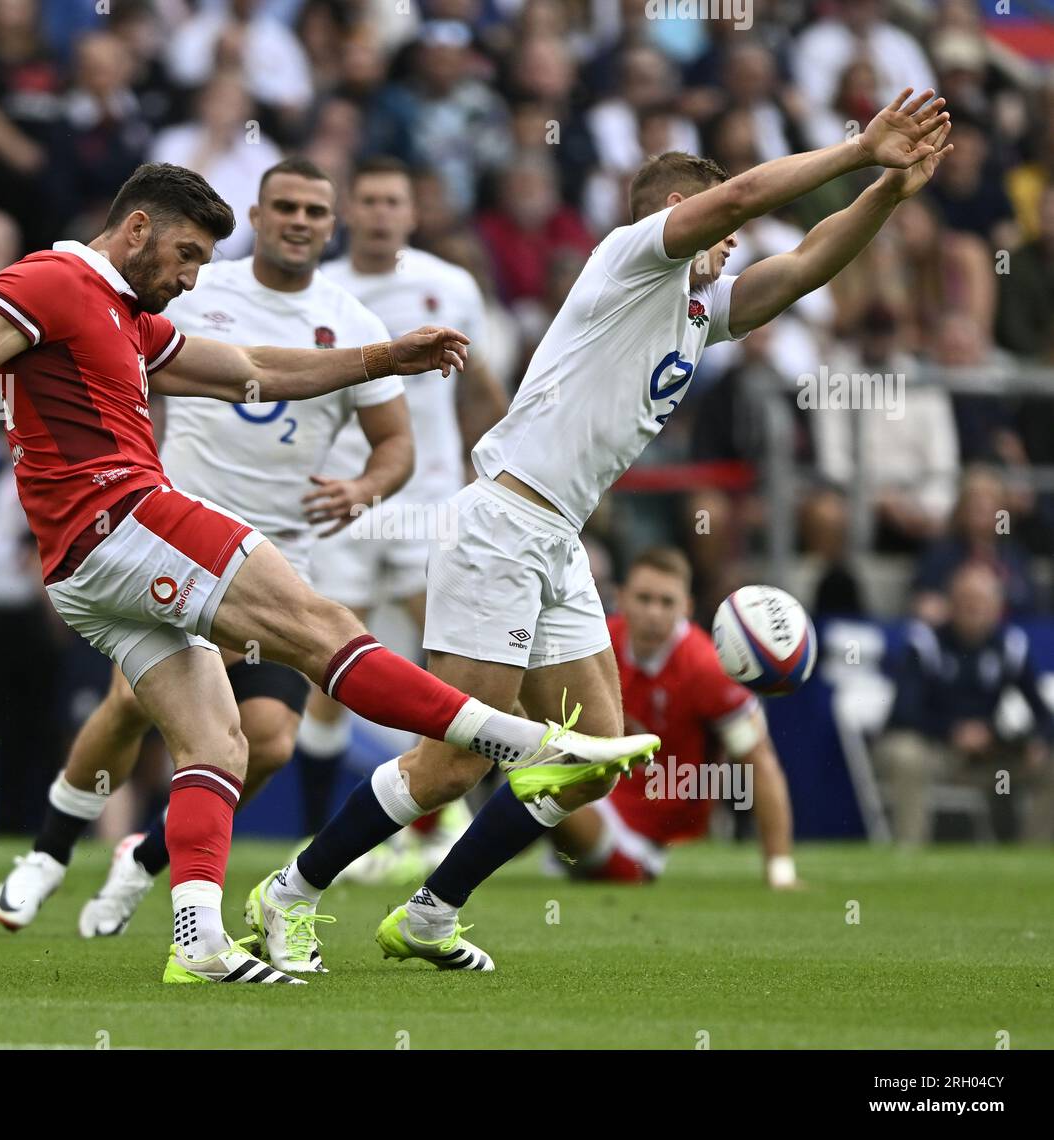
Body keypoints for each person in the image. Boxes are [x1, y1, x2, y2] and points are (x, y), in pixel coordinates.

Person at [0, 162, 648, 985]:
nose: (191, 278)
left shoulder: (130, 318)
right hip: (126, 517)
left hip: (83, 567)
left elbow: (250, 370)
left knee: (219, 745)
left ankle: (195, 944)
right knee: (326, 631)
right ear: (137, 230)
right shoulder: (52, 279)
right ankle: (530, 743)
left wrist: (379, 361)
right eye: (185, 256)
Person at [250, 89, 954, 975]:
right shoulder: (630, 262)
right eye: (718, 222)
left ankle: (431, 912)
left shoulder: (697, 312)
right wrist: (858, 150)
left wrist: (887, 190)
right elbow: (737, 204)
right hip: (502, 522)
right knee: (455, 763)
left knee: (593, 761)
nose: (734, 242)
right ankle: (291, 892)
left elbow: (808, 263)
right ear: (676, 214)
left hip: (557, 539)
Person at [0, 156, 413, 942]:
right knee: (127, 708)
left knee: (269, 741)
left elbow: (395, 446)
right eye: (284, 206)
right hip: (167, 533)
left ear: (331, 223)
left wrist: (364, 489)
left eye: (316, 211)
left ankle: (147, 858)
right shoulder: (191, 282)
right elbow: (112, 363)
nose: (299, 221)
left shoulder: (355, 322)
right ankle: (47, 854)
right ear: (257, 213)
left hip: (280, 551)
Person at [296, 155, 507, 836]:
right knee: (330, 673)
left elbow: (480, 392)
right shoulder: (318, 291)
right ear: (349, 212)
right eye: (370, 200)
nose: (383, 213)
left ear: (413, 214)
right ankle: (317, 828)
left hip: (434, 502)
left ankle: (456, 824)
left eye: (395, 201)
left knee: (453, 665)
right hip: (344, 506)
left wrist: (500, 479)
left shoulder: (450, 286)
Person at [551, 548, 799, 887]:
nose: (654, 613)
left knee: (536, 780)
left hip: (640, 836)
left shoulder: (707, 668)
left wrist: (780, 870)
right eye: (644, 599)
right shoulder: (597, 643)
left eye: (667, 602)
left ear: (687, 608)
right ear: (621, 598)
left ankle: (464, 837)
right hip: (591, 792)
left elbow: (758, 761)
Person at [877, 562, 1054, 844]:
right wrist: (953, 731)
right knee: (904, 752)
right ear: (950, 603)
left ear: (997, 607)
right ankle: (909, 850)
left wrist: (1039, 740)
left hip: (986, 759)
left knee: (1050, 762)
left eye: (981, 602)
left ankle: (1030, 857)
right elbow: (903, 713)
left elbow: (1044, 714)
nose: (974, 609)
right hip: (935, 750)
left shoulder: (1008, 646)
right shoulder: (926, 643)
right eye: (966, 601)